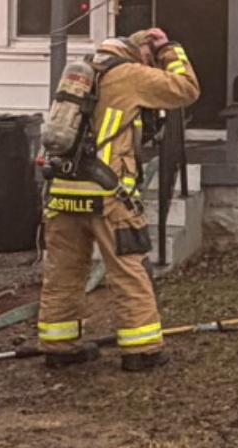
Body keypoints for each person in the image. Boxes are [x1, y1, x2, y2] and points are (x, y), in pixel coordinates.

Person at [37, 28, 200, 369]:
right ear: (141, 53)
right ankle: (141, 351)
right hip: (107, 194)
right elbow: (187, 89)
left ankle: (59, 345)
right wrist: (171, 50)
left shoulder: (82, 72)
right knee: (129, 267)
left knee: (64, 271)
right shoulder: (129, 74)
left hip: (62, 189)